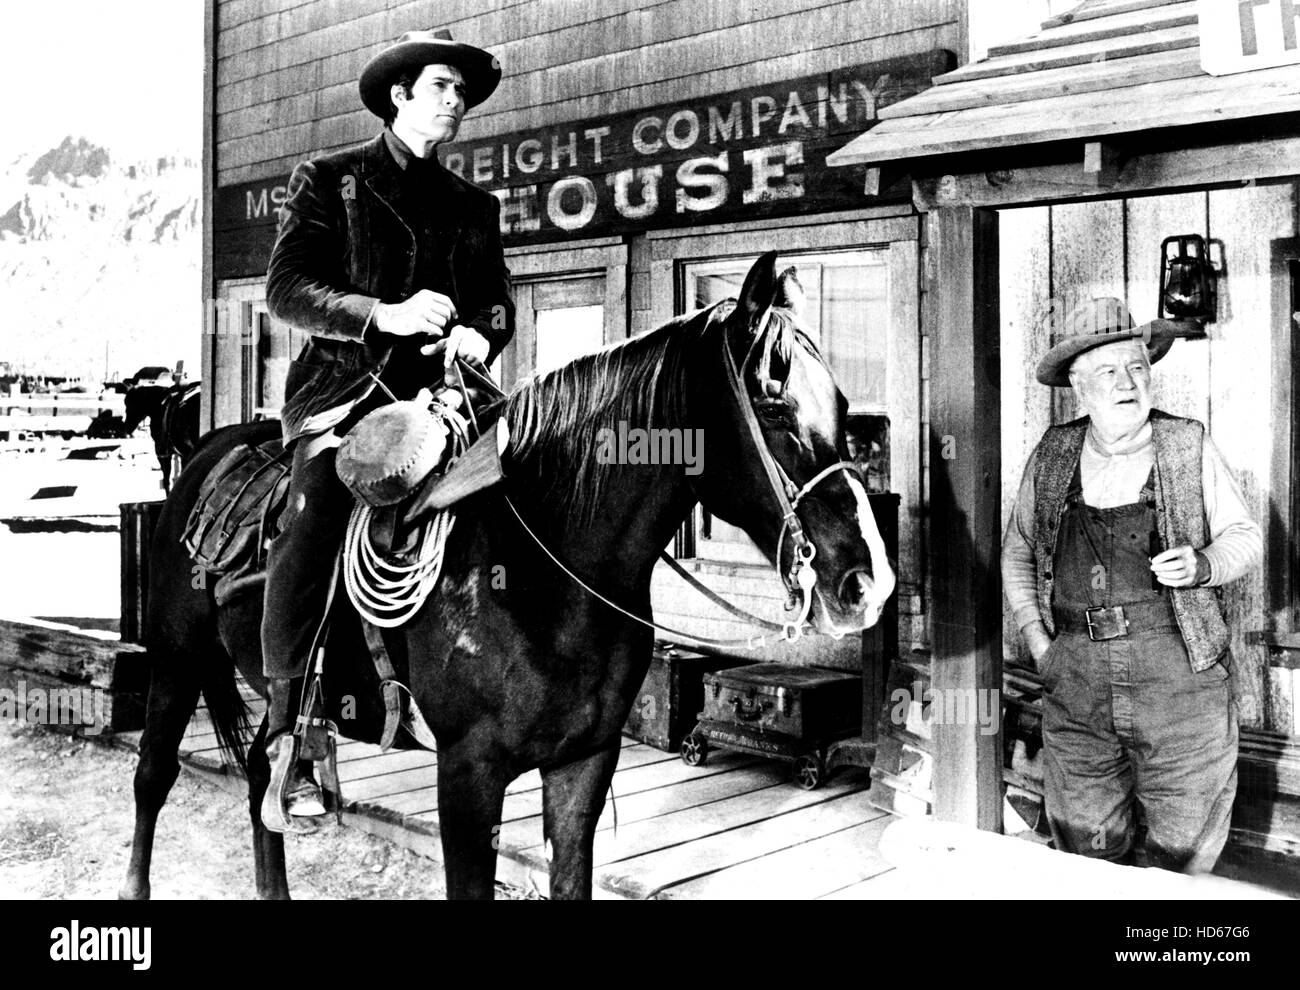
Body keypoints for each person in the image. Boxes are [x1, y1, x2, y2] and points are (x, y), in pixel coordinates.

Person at [259, 28, 515, 832]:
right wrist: (386, 315)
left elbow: (494, 302)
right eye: (443, 85)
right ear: (400, 94)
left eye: (462, 91)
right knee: (315, 515)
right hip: (345, 400)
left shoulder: (474, 207)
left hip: (448, 400)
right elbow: (287, 289)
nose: (457, 100)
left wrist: (481, 333)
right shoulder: (331, 183)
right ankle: (289, 727)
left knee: (528, 489)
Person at [1002, 297, 1261, 873]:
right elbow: (1018, 549)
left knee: (1183, 847)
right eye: (1108, 371)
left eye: (1138, 367)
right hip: (1077, 678)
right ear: (1078, 386)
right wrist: (1039, 643)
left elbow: (1245, 537)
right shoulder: (1053, 453)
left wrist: (1204, 564)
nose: (1128, 382)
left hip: (1178, 675)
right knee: (1085, 845)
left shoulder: (1186, 444)